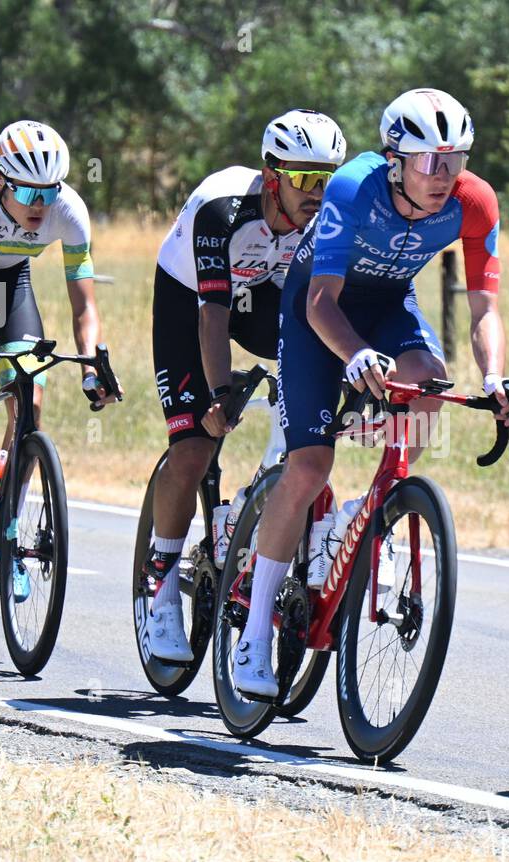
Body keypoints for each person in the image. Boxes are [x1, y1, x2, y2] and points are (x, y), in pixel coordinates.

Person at [234, 88, 509, 698]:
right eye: (428, 162)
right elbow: (320, 302)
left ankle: (363, 515)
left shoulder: (475, 203)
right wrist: (356, 354)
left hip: (390, 303)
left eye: (456, 160)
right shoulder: (353, 186)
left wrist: (496, 376)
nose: (444, 176)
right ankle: (254, 631)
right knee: (310, 463)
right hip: (321, 308)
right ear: (394, 159)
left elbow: (483, 310)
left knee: (429, 381)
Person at [146, 108, 346, 663]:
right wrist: (218, 398)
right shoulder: (222, 210)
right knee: (192, 448)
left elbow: (323, 309)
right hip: (192, 301)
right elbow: (212, 317)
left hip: (262, 295)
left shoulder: (324, 217)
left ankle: (254, 511)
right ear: (273, 176)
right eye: (306, 178)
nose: (318, 191)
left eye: (328, 179)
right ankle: (160, 584)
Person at [0, 120, 119, 600]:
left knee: (32, 392)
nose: (39, 205)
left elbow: (84, 306)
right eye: (28, 192)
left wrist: (92, 365)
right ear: (0, 181)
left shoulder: (69, 212)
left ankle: (6, 526)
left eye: (47, 192)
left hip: (12, 279)